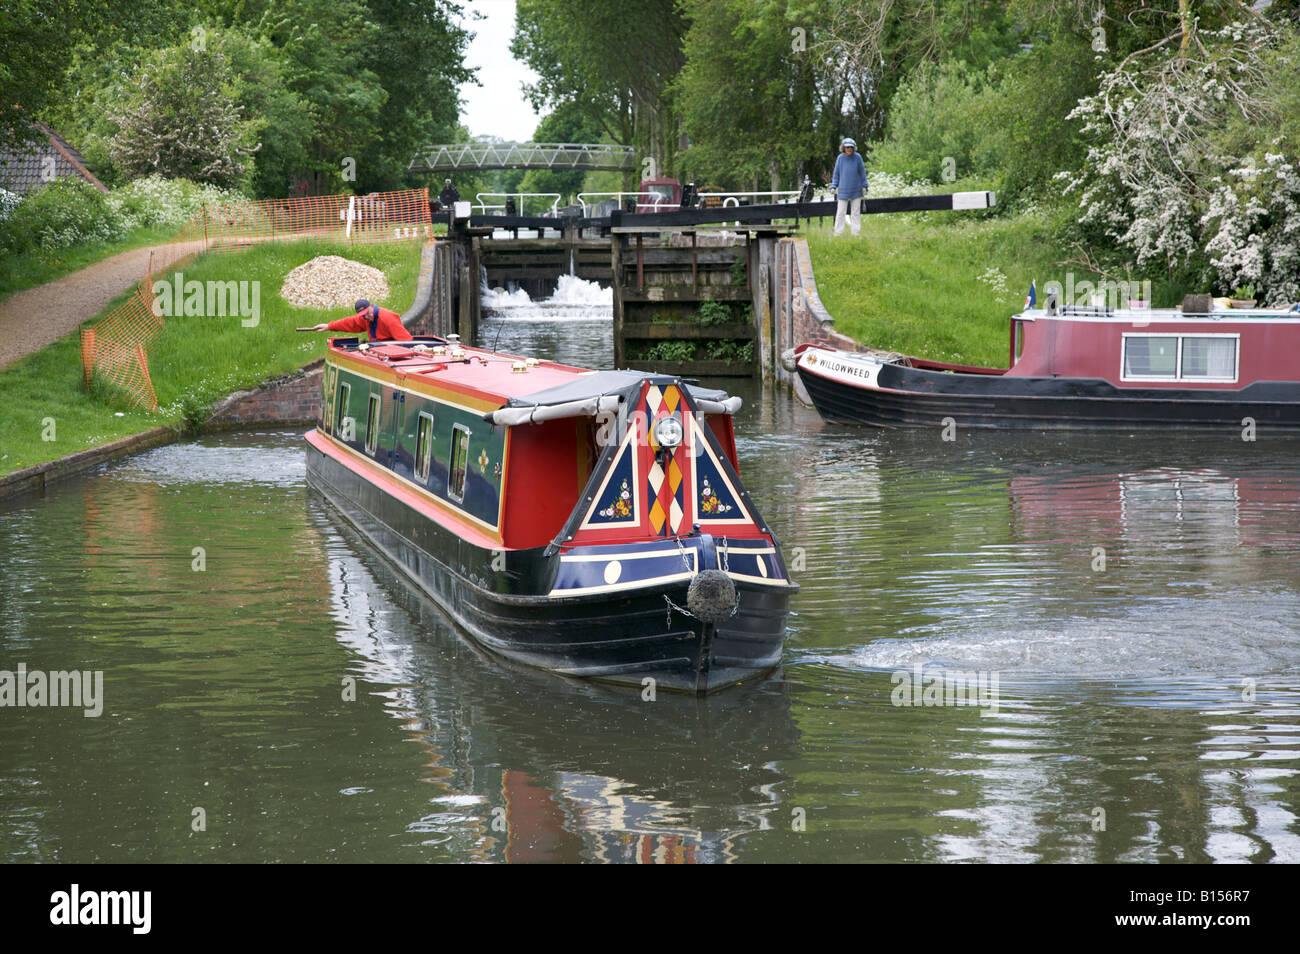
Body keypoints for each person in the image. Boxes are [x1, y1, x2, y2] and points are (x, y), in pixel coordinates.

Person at [307, 299, 412, 341]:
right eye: (363, 316)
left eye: (367, 313)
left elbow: (405, 340)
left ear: (371, 306)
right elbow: (349, 323)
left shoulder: (388, 318)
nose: (366, 317)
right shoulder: (366, 319)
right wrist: (329, 326)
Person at [830, 137, 868, 237]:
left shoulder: (858, 157)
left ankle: (855, 234)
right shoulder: (840, 158)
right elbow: (836, 174)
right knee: (840, 213)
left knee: (855, 213)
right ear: (843, 148)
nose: (849, 149)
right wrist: (833, 186)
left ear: (854, 148)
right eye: (847, 147)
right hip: (843, 190)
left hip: (856, 190)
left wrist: (865, 186)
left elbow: (862, 172)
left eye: (851, 147)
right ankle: (838, 234)